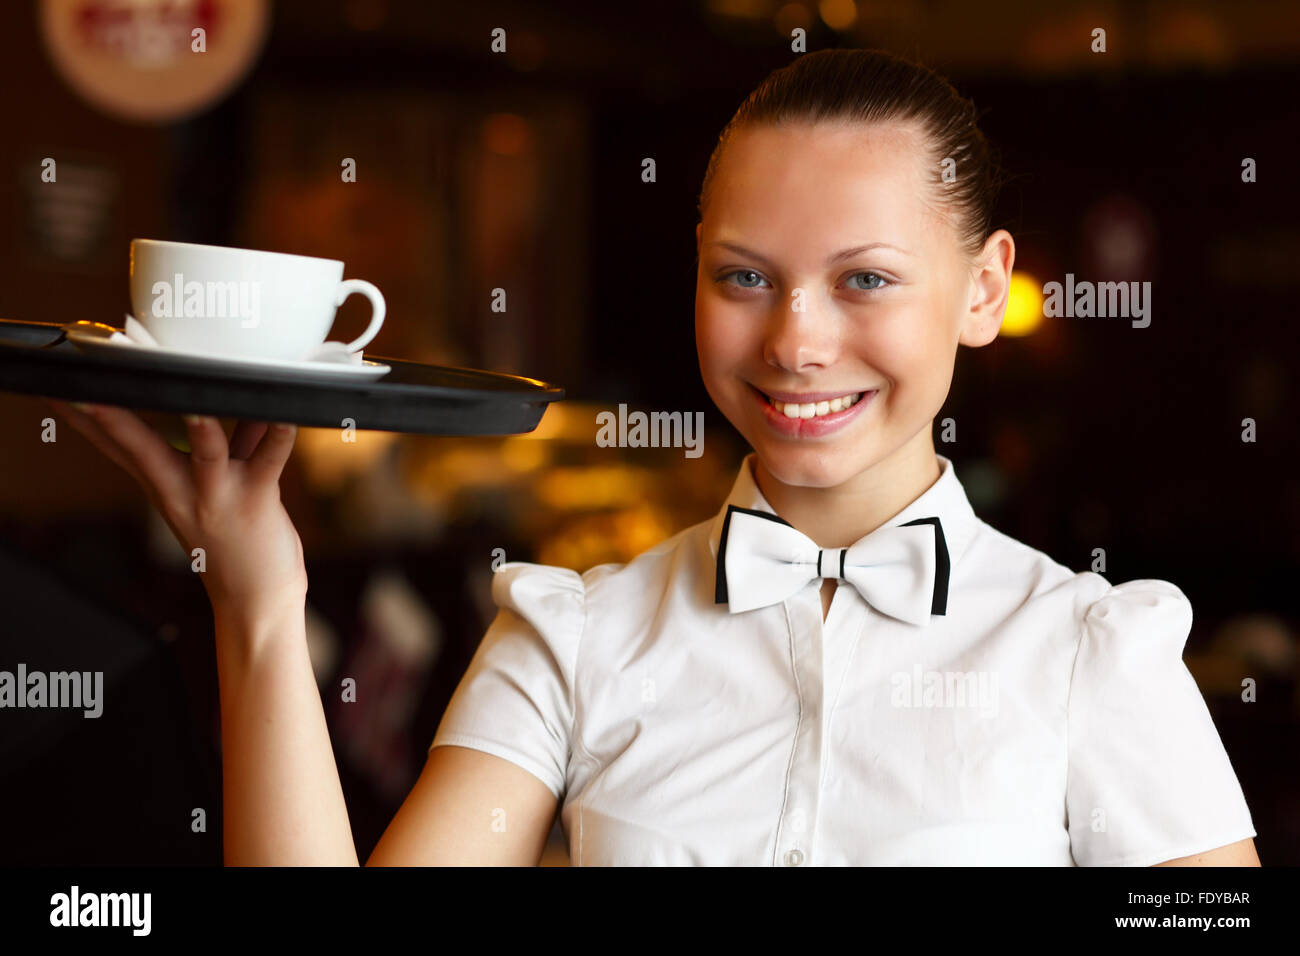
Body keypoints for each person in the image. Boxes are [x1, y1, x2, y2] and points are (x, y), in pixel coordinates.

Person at [48, 48, 1258, 866]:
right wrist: (258, 595)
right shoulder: (572, 636)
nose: (794, 338)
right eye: (744, 276)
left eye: (865, 280)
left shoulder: (1094, 651)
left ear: (983, 289)